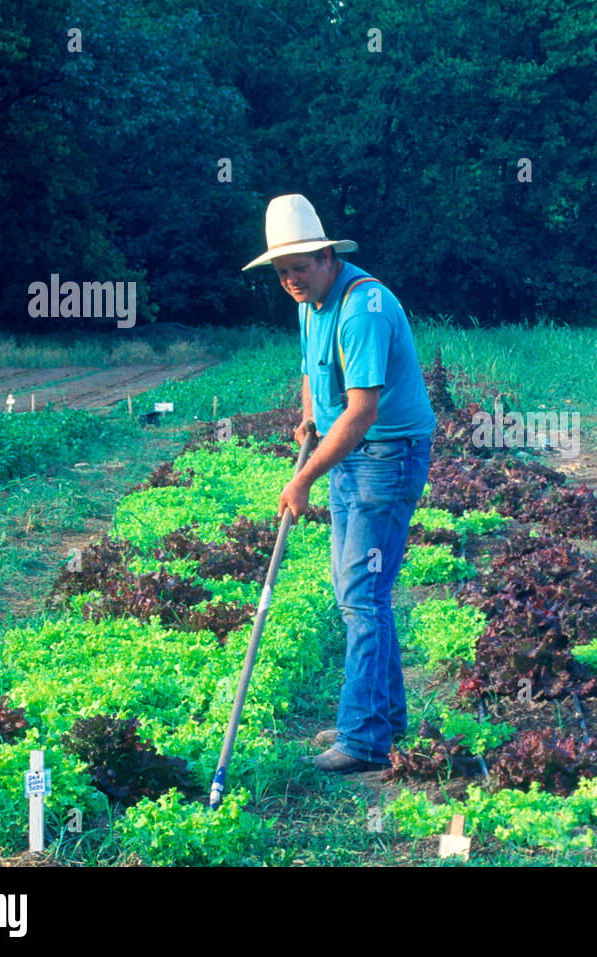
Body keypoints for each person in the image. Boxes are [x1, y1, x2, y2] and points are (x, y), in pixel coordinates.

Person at [243, 193, 436, 773]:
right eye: (282, 271)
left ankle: (363, 740)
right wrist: (309, 416)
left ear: (328, 256)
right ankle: (381, 717)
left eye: (301, 266)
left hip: (386, 455)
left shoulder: (362, 306)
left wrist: (302, 478)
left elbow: (361, 411)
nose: (292, 279)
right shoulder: (310, 302)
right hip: (350, 454)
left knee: (361, 595)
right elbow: (313, 371)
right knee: (359, 593)